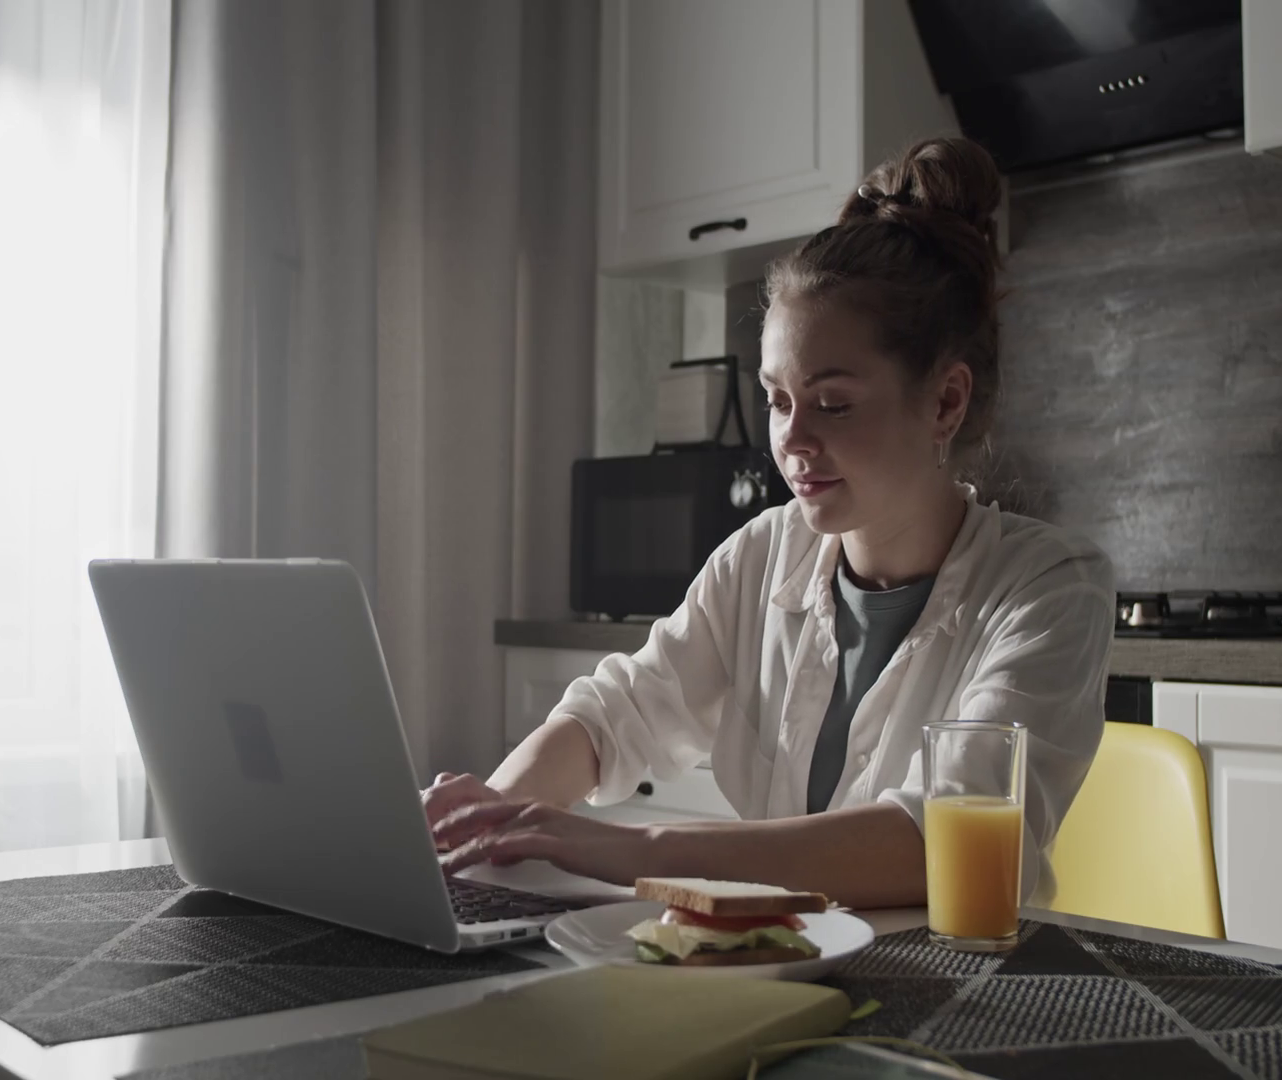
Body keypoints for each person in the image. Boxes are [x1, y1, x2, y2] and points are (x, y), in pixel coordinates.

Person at [430, 137, 1114, 910]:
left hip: (963, 991)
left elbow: (937, 837)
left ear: (946, 402)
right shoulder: (762, 555)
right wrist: (492, 823)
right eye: (777, 399)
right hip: (776, 976)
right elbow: (612, 714)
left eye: (832, 403)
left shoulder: (1050, 588)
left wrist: (631, 849)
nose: (789, 439)